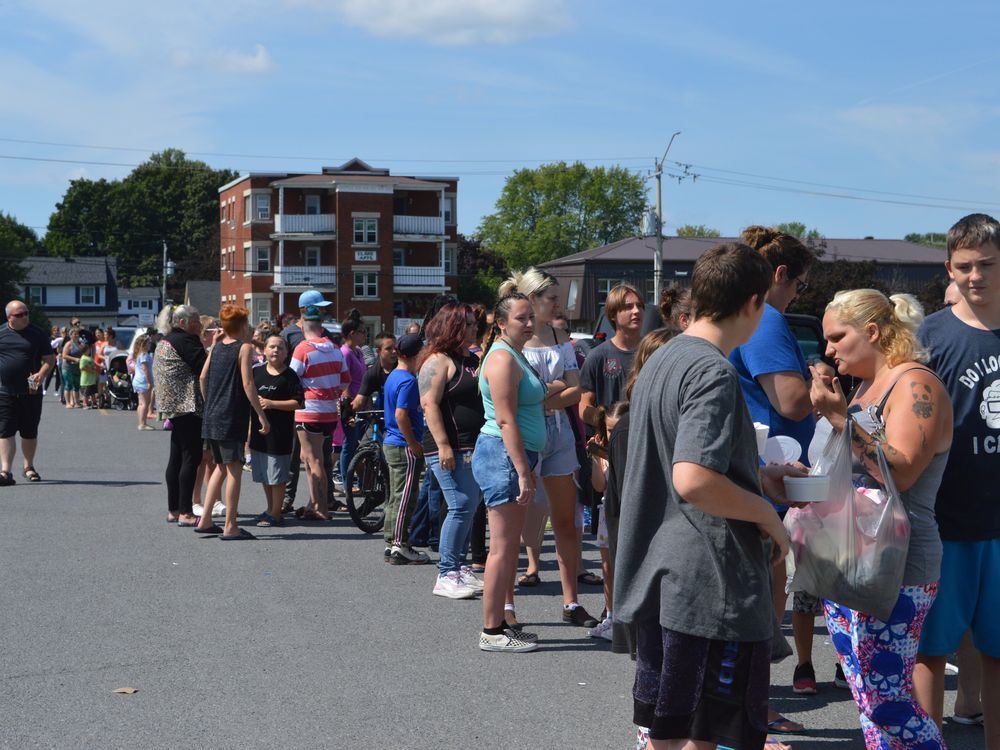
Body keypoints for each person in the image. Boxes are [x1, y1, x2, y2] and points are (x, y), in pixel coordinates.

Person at [616, 242, 800, 750]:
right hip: (707, 585)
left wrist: (757, 475)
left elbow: (681, 457)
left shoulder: (663, 355)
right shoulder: (713, 371)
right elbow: (693, 478)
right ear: (754, 303)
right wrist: (767, 516)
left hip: (662, 575)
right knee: (703, 737)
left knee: (668, 734)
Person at [810, 289, 952, 750]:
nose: (828, 349)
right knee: (867, 698)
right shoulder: (867, 385)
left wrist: (841, 421)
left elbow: (904, 472)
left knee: (889, 701)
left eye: (837, 337)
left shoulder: (915, 385)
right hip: (849, 558)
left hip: (898, 568)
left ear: (872, 332)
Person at [912, 213, 1000, 744]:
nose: (976, 276)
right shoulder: (931, 336)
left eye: (986, 264)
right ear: (949, 268)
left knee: (997, 651)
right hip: (944, 523)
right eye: (964, 266)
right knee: (930, 650)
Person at [728, 226, 820, 729]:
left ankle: (751, 703)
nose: (797, 296)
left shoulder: (756, 317)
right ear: (780, 274)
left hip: (760, 473)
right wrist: (820, 384)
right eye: (800, 285)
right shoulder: (767, 319)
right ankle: (749, 708)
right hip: (761, 476)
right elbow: (790, 401)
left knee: (766, 586)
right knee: (760, 594)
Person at [504, 268, 597, 629]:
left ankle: (571, 601)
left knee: (566, 522)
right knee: (514, 523)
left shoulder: (561, 337)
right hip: (524, 436)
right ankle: (507, 605)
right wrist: (553, 391)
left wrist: (540, 399)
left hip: (559, 435)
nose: (559, 304)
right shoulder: (514, 340)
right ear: (533, 299)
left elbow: (576, 390)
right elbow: (510, 395)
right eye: (552, 298)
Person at [471, 293, 545, 653]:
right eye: (521, 318)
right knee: (501, 548)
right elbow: (504, 420)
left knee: (509, 546)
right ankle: (491, 630)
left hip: (513, 455)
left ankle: (500, 623)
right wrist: (522, 470)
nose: (529, 323)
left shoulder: (514, 353)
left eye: (531, 316)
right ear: (501, 323)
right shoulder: (502, 358)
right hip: (503, 455)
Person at [418, 303, 485, 597]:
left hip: (474, 445)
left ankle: (458, 566)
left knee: (470, 506)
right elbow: (429, 403)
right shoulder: (438, 360)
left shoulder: (471, 358)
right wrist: (443, 445)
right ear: (452, 327)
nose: (474, 328)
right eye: (468, 324)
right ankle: (446, 573)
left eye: (474, 323)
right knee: (460, 505)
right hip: (448, 447)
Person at [196, 304, 270, 540]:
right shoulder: (244, 348)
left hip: (212, 415)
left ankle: (206, 519)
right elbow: (248, 383)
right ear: (242, 326)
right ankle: (230, 525)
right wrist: (261, 415)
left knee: (220, 467)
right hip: (231, 416)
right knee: (235, 470)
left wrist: (210, 402)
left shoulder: (216, 346)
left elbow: (203, 377)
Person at [288, 305, 350, 521]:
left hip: (309, 410)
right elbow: (345, 380)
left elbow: (291, 378)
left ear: (303, 327)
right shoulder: (335, 349)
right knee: (312, 458)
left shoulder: (302, 349)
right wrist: (330, 392)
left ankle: (321, 508)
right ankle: (313, 503)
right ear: (321, 327)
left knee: (313, 460)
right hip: (329, 411)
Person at [282, 291, 337, 515]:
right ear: (305, 309)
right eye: (319, 307)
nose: (323, 311)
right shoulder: (289, 334)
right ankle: (289, 498)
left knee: (318, 457)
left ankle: (323, 502)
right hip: (298, 404)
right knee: (297, 455)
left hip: (312, 408)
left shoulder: (325, 335)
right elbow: (283, 370)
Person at [153, 304, 207, 526]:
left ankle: (173, 509)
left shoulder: (166, 340)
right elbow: (204, 367)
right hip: (188, 405)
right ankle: (186, 512)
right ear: (183, 322)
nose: (200, 325)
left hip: (172, 406)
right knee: (191, 457)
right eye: (196, 321)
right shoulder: (186, 340)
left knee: (176, 457)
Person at [381, 333, 429, 565]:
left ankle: (391, 542)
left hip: (392, 441)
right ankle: (400, 544)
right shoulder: (409, 381)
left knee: (396, 496)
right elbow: (401, 415)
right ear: (415, 355)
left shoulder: (394, 375)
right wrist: (413, 443)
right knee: (405, 497)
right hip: (403, 444)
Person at [249, 335, 303, 527]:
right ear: (264, 350)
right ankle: (271, 508)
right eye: (272, 347)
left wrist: (271, 403)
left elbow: (298, 402)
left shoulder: (290, 375)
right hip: (259, 434)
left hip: (280, 435)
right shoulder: (256, 372)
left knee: (277, 477)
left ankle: (276, 514)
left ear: (286, 353)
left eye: (280, 348)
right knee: (265, 474)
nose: (275, 350)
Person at [0, 300, 54, 485]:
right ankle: (5, 471)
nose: (25, 317)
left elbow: (49, 359)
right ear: (9, 317)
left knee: (29, 432)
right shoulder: (1, 333)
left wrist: (41, 374)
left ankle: (28, 467)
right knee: (5, 431)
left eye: (26, 313)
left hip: (31, 391)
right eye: (19, 315)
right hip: (5, 391)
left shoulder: (37, 334)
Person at [580, 283, 644, 427]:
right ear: (612, 315)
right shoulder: (597, 356)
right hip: (612, 438)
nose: (636, 311)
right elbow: (584, 406)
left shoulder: (654, 352)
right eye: (628, 307)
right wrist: (608, 423)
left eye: (640, 306)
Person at [339, 315, 368, 490]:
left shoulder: (358, 351)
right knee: (349, 444)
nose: (365, 335)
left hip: (361, 403)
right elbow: (344, 382)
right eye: (362, 332)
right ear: (352, 333)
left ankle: (361, 480)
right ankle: (346, 482)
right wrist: (349, 408)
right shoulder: (345, 353)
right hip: (350, 405)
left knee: (357, 444)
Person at [351, 332, 397, 414]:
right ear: (378, 351)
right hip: (384, 415)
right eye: (389, 349)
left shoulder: (403, 370)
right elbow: (359, 401)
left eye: (395, 348)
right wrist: (347, 408)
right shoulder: (372, 374)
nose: (394, 351)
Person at [131, 333, 155, 430]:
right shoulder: (144, 355)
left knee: (141, 403)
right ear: (143, 344)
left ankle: (141, 422)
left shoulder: (139, 354)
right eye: (148, 343)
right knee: (145, 403)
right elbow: (145, 369)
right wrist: (150, 382)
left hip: (138, 381)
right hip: (143, 381)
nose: (150, 345)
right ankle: (142, 424)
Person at [61, 327, 84, 409]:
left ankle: (77, 402)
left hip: (77, 368)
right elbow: (64, 355)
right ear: (70, 335)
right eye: (74, 334)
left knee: (76, 386)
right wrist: (75, 359)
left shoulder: (80, 344)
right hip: (67, 368)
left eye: (77, 334)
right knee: (68, 385)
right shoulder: (68, 344)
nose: (76, 335)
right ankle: (67, 403)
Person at [78, 343, 98, 409]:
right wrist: (91, 370)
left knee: (92, 392)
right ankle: (85, 404)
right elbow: (82, 367)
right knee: (86, 393)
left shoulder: (89, 357)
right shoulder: (83, 358)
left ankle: (94, 403)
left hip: (91, 379)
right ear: (85, 350)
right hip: (86, 380)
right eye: (88, 349)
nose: (89, 350)